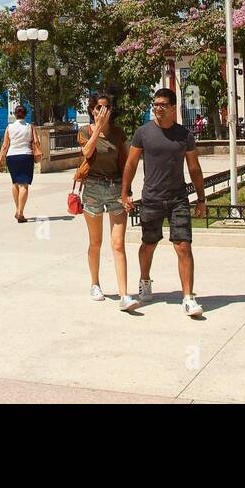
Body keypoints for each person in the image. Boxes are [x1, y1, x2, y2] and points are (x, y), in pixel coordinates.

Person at [120, 88, 207, 318]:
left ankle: (188, 297)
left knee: (183, 245)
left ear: (172, 108)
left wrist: (201, 198)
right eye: (155, 104)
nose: (157, 108)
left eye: (162, 105)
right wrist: (125, 191)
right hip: (152, 198)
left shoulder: (184, 135)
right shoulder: (143, 133)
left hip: (178, 198)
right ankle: (145, 280)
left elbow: (194, 168)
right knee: (149, 243)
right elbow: (131, 163)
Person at [77, 93, 138, 311]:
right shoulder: (85, 131)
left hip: (114, 188)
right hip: (92, 188)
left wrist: (127, 190)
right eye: (98, 108)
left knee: (118, 243)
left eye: (107, 108)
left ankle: (124, 294)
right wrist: (98, 128)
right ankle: (95, 283)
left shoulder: (118, 134)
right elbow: (87, 152)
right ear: (92, 110)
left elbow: (125, 163)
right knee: (96, 242)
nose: (103, 111)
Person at [0, 105, 39, 223]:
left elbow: (4, 146)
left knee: (15, 183)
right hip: (26, 156)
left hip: (12, 157)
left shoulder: (9, 127)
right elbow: (36, 141)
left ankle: (17, 209)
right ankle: (20, 212)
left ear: (15, 114)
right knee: (24, 185)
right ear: (25, 114)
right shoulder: (30, 127)